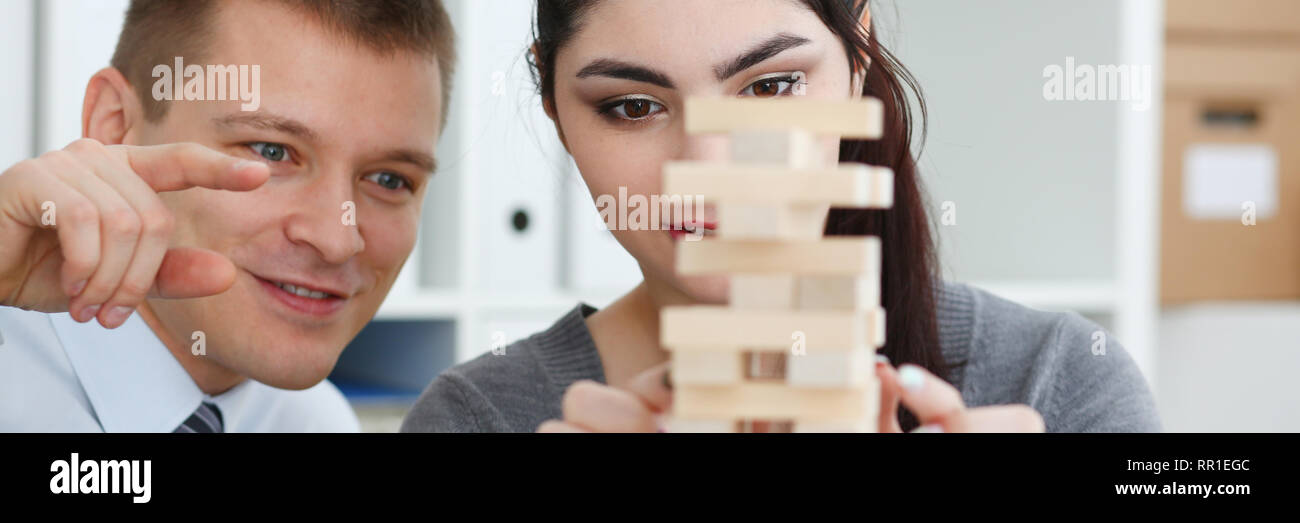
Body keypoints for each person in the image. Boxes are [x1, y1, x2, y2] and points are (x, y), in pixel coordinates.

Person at [401, 0, 1161, 433]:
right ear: (555, 111)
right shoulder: (479, 419)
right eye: (633, 106)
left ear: (858, 52)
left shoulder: (1057, 384)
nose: (709, 165)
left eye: (769, 88)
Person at [0, 0, 455, 432]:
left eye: (390, 180)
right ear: (115, 125)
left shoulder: (318, 423)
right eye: (271, 151)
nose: (336, 239)